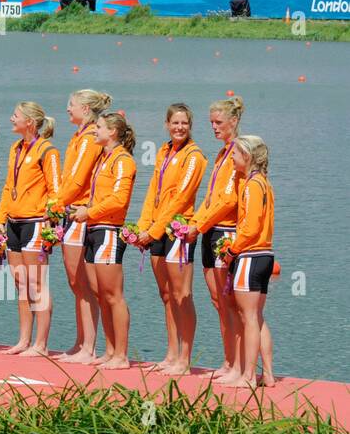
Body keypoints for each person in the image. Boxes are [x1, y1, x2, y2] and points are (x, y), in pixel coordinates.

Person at [184, 95, 272, 384]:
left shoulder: (240, 154)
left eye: (218, 122)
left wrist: (200, 224)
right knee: (219, 301)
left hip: (226, 233)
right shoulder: (223, 154)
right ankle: (229, 360)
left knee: (234, 304)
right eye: (211, 122)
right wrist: (197, 223)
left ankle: (241, 367)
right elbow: (211, 198)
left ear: (234, 122)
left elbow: (228, 200)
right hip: (210, 229)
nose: (213, 127)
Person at [135, 103, 207, 376]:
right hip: (157, 229)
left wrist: (153, 231)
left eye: (184, 124)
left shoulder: (194, 156)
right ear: (166, 124)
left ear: (190, 126)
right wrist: (144, 226)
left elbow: (181, 198)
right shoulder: (164, 151)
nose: (179, 128)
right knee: (166, 296)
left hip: (178, 229)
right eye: (175, 123)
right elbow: (153, 192)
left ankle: (185, 359)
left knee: (181, 295)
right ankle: (171, 353)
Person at [70, 111, 138, 370]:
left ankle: (121, 354)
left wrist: (89, 212)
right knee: (99, 293)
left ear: (113, 132)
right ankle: (110, 350)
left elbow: (119, 200)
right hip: (93, 229)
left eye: (98, 127)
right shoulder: (103, 158)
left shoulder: (123, 160)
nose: (94, 131)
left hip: (109, 230)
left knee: (113, 295)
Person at [0, 101, 62, 356]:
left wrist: (50, 219)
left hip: (35, 223)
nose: (11, 119)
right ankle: (24, 339)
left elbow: (57, 190)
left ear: (30, 122)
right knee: (21, 283)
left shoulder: (48, 151)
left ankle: (41, 344)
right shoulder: (15, 148)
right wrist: (0, 220)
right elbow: (7, 187)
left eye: (16, 116)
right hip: (13, 222)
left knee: (37, 283)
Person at [56, 89, 111, 364]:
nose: (68, 109)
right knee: (76, 283)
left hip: (80, 212)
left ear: (86, 109)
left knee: (83, 285)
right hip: (70, 211)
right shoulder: (79, 136)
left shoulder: (90, 139)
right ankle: (81, 342)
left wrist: (53, 204)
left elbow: (77, 181)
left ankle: (89, 346)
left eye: (71, 104)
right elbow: (69, 177)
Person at [217, 135, 277, 389]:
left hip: (250, 255)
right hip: (265, 255)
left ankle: (249, 376)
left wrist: (231, 251)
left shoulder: (252, 185)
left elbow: (250, 227)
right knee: (257, 317)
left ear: (248, 157)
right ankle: (269, 375)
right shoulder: (264, 183)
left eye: (236, 153)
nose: (232, 156)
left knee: (248, 317)